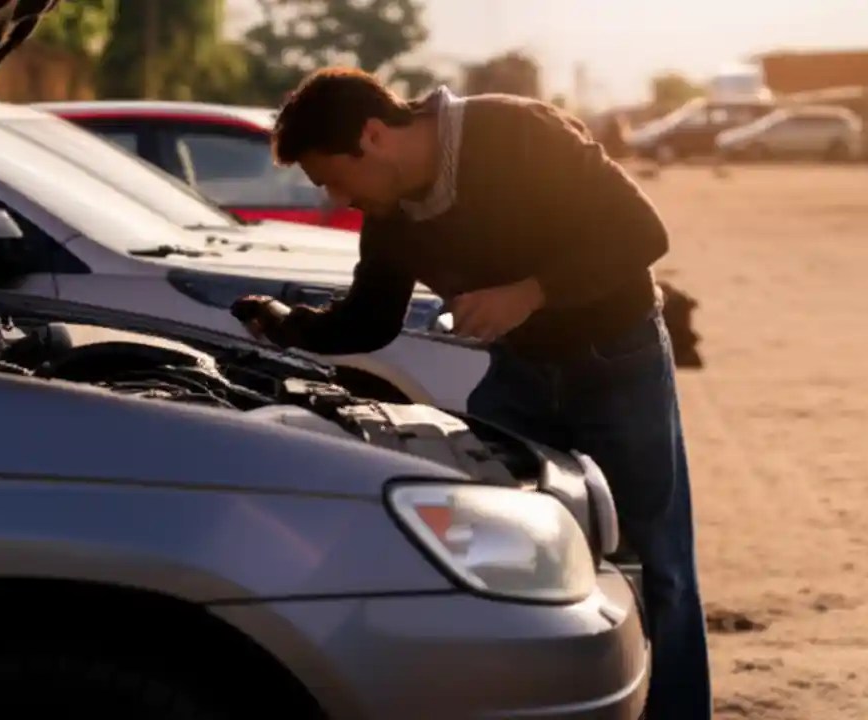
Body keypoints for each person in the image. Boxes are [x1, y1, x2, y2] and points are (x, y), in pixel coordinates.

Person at [230, 67, 711, 719]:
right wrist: (287, 326)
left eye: (334, 180)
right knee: (497, 545)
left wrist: (528, 293)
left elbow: (641, 234)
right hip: (520, 372)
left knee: (659, 561)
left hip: (614, 360)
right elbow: (372, 319)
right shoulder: (391, 215)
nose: (339, 199)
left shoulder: (515, 133)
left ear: (373, 136)